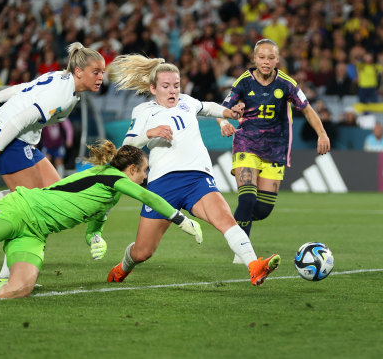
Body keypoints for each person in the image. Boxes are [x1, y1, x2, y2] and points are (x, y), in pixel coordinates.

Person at [0, 141, 202, 299]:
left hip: (35, 233)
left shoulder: (111, 190)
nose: (146, 177)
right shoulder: (110, 176)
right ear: (132, 168)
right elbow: (149, 198)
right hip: (20, 209)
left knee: (18, 289)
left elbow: (96, 220)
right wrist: (179, 218)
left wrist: (95, 237)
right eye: (144, 170)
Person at [106, 54, 281, 286]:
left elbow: (207, 107)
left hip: (198, 178)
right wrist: (151, 133)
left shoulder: (187, 101)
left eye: (176, 85)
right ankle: (123, 267)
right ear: (152, 88)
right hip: (162, 186)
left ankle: (254, 266)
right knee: (143, 252)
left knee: (226, 220)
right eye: (166, 86)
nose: (172, 91)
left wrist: (229, 113)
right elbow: (127, 144)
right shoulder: (144, 111)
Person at [0, 42, 105, 279]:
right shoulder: (61, 96)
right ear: (79, 71)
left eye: (103, 72)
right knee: (33, 209)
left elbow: (23, 87)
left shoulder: (62, 79)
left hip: (19, 140)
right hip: (5, 136)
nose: (101, 77)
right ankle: (8, 273)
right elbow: (17, 122)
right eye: (96, 72)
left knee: (57, 193)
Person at [217, 39, 330, 262]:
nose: (266, 62)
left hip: (275, 149)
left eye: (270, 58)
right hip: (246, 144)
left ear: (277, 60)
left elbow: (307, 110)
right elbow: (222, 109)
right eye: (261, 57)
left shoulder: (287, 84)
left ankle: (231, 222)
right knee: (247, 199)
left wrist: (322, 133)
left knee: (262, 210)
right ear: (254, 58)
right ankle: (242, 253)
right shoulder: (243, 82)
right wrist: (224, 123)